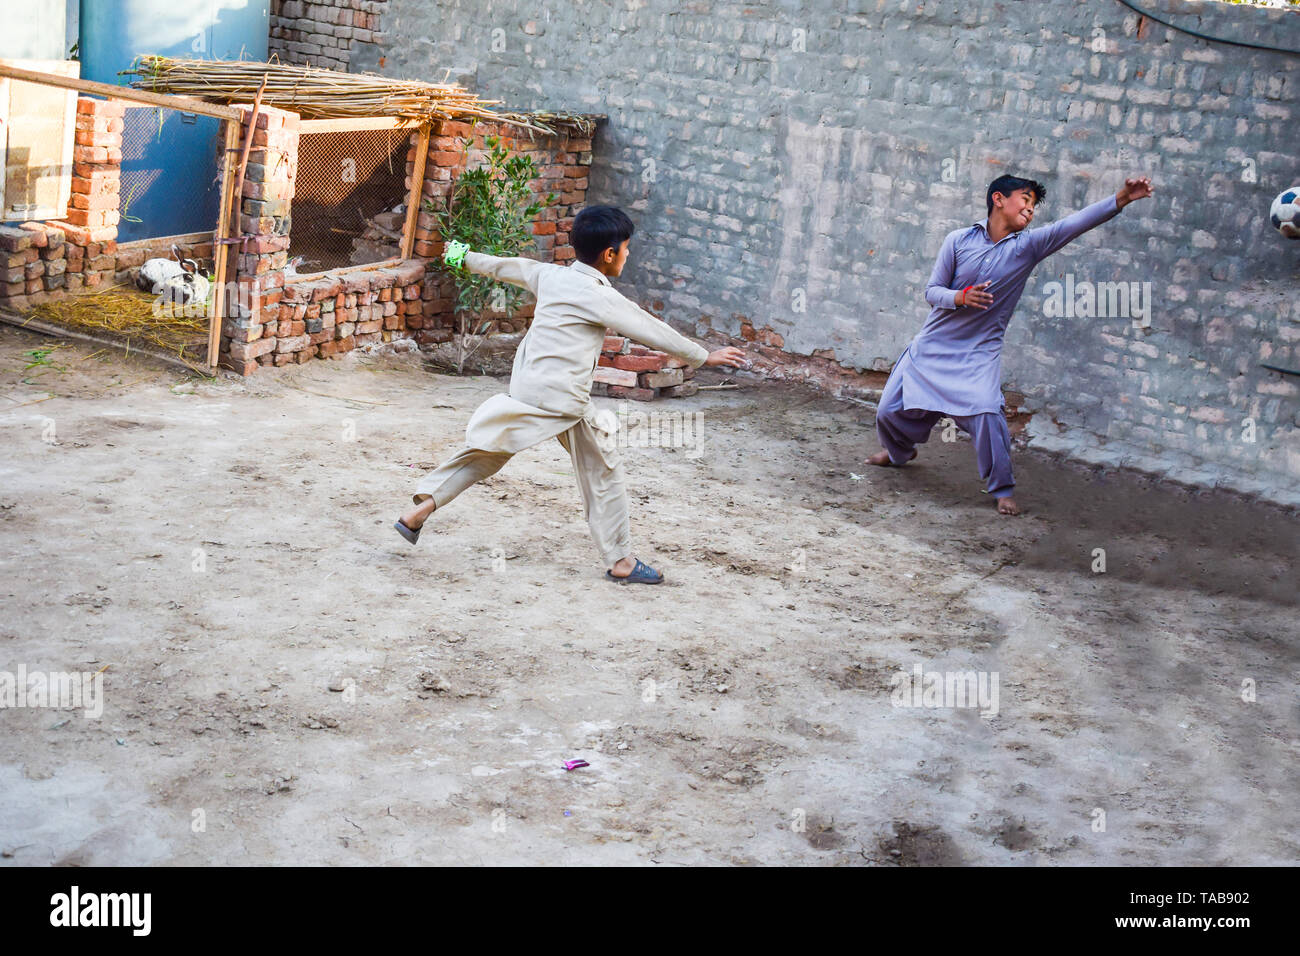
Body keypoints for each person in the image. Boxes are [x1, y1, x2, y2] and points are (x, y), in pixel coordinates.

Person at [395, 205, 748, 582]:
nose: (628, 255)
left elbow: (505, 265)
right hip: (564, 401)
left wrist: (461, 256)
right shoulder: (600, 296)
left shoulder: (549, 276)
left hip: (525, 387)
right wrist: (703, 355)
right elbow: (649, 328)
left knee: (489, 453)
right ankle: (621, 562)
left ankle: (419, 510)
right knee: (603, 469)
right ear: (610, 254)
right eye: (626, 249)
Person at [867, 174, 1154, 514]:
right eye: (1025, 200)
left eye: (1034, 206)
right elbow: (932, 292)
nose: (1030, 210)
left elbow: (1073, 225)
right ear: (999, 199)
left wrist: (1120, 199)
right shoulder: (958, 240)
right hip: (932, 345)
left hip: (978, 353)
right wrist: (960, 297)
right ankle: (900, 452)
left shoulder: (1026, 247)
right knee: (887, 410)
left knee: (987, 412)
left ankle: (1001, 488)